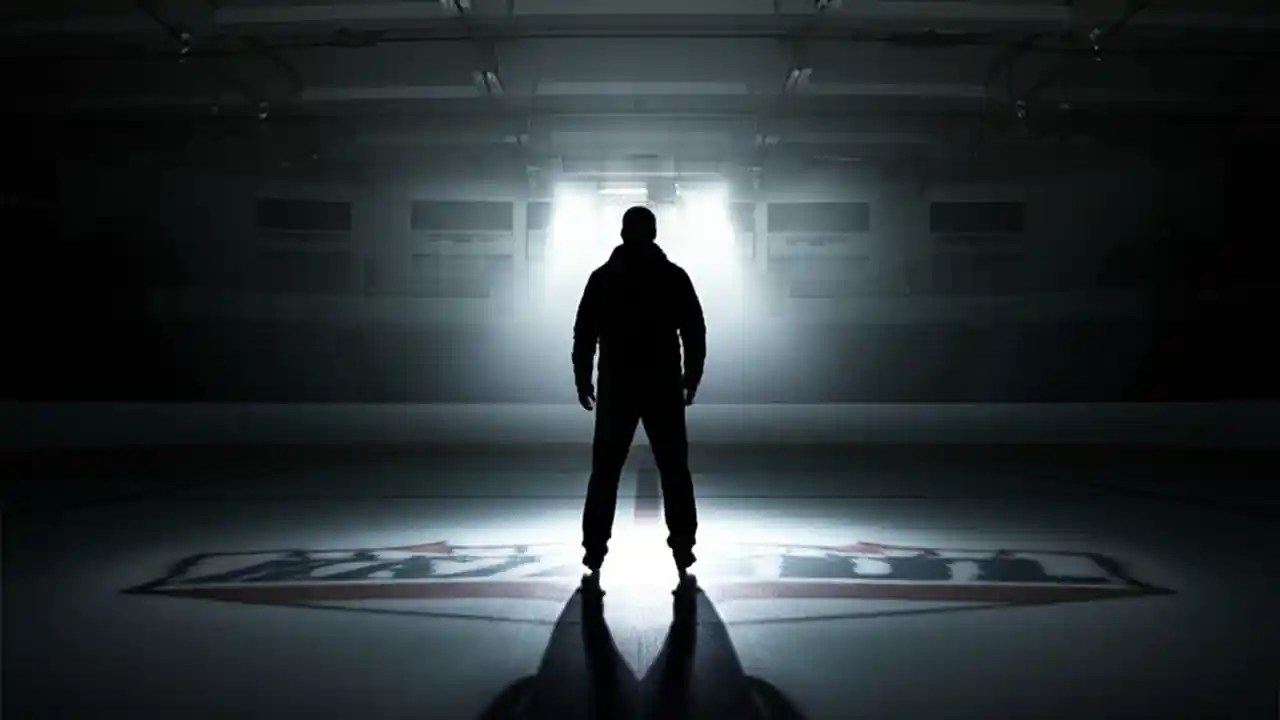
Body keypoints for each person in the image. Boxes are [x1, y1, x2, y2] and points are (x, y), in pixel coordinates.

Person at [572, 205, 706, 584]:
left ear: (622, 233)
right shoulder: (674, 277)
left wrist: (583, 378)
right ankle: (683, 546)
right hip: (662, 384)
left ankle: (594, 548)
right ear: (655, 233)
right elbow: (694, 331)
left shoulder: (602, 279)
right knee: (674, 467)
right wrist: (690, 377)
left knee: (606, 470)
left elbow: (585, 334)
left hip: (618, 385)